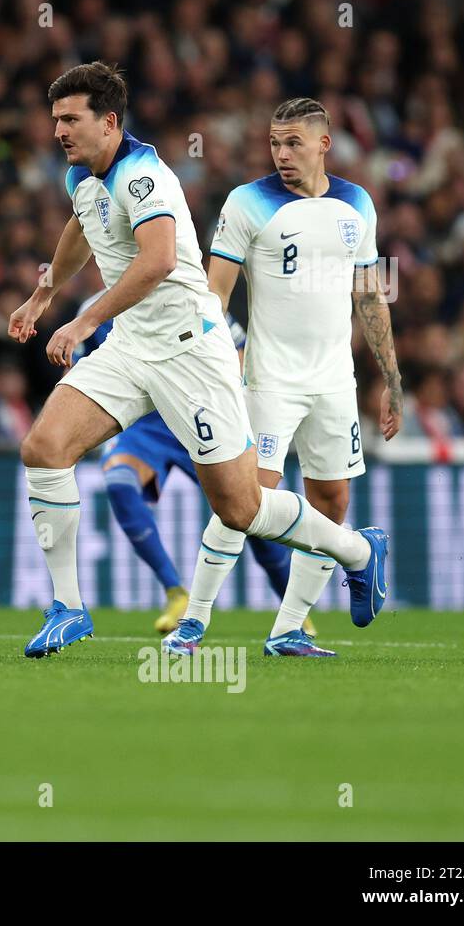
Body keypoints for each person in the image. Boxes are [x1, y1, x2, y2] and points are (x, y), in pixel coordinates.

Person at [7, 63, 388, 659]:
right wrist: (45, 293)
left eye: (70, 119)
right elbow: (83, 225)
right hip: (132, 345)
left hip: (189, 348)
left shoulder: (146, 178)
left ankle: (359, 552)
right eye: (55, 119)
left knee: (240, 508)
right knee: (43, 448)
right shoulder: (81, 174)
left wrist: (83, 319)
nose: (58, 130)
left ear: (108, 122)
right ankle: (69, 608)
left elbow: (156, 261)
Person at [173, 97, 403, 658]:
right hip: (269, 379)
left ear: (324, 144)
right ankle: (193, 624)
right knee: (246, 501)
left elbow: (370, 295)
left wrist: (392, 380)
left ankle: (289, 628)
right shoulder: (247, 203)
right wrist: (216, 362)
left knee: (331, 497)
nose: (281, 154)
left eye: (293, 143)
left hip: (334, 382)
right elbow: (214, 294)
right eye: (275, 143)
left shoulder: (357, 204)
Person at [73, 296, 300, 634]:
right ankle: (175, 593)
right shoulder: (94, 309)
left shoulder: (195, 294)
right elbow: (80, 374)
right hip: (144, 425)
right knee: (120, 482)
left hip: (200, 413)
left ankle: (292, 607)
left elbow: (240, 354)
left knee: (245, 510)